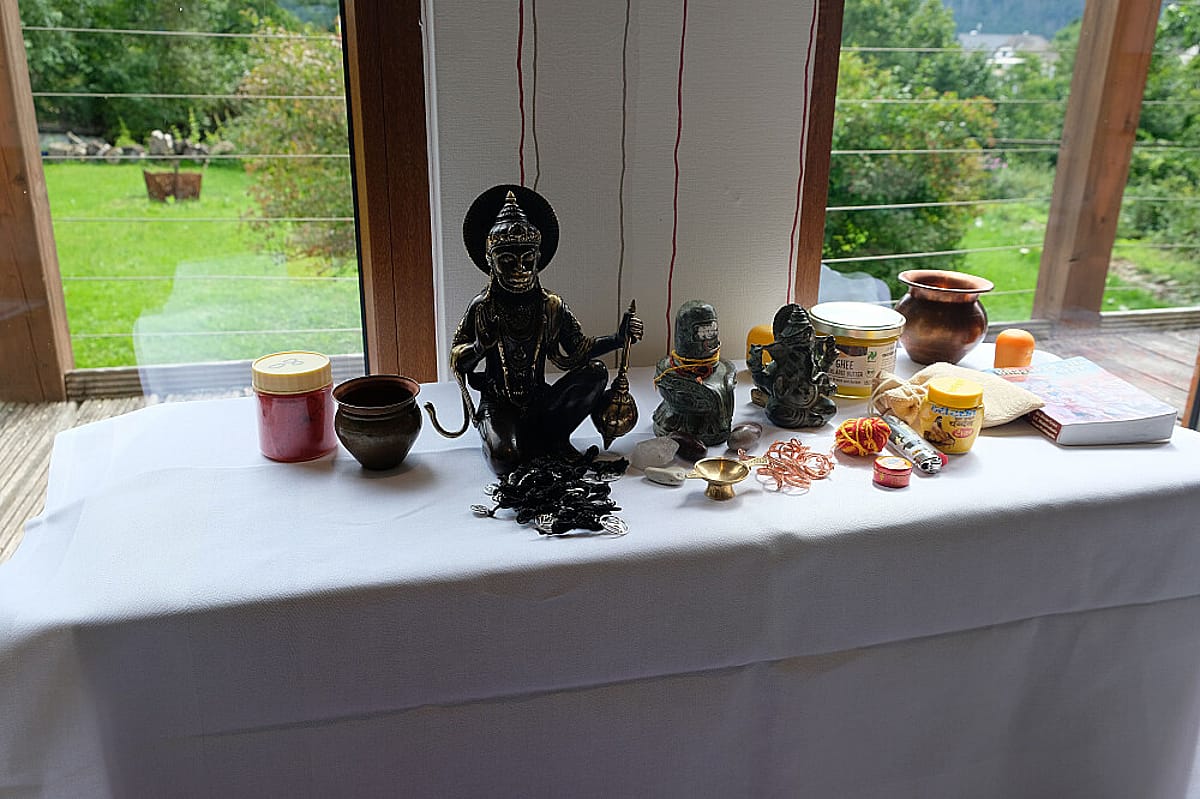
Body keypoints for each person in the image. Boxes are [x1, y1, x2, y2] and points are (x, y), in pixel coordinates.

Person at [425, 186, 642, 474]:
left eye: (528, 261)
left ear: (538, 260)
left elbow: (579, 349)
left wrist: (617, 339)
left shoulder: (551, 305)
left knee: (596, 372)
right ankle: (509, 437)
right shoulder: (482, 307)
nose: (520, 270)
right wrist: (479, 347)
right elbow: (457, 359)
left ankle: (552, 436)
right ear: (490, 261)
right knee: (506, 460)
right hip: (499, 403)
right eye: (508, 261)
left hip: (540, 399)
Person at [651, 300, 737, 446]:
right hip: (682, 375)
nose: (709, 337)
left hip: (712, 368)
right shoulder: (667, 370)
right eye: (702, 332)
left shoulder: (725, 372)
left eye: (712, 330)